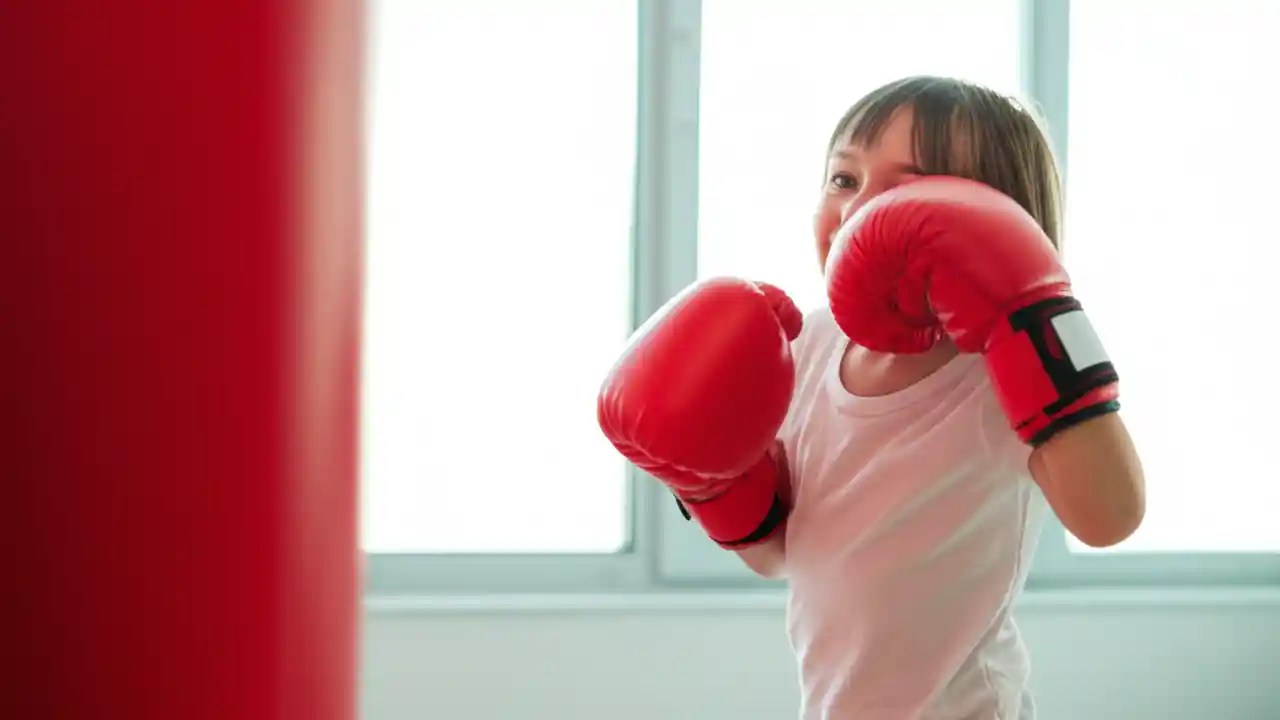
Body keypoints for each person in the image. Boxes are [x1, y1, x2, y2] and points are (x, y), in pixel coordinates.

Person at [597, 75, 1145, 719]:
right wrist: (716, 484)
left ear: (994, 219)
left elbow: (1111, 516)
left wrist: (1032, 311)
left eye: (908, 191)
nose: (859, 211)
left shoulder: (1002, 365)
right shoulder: (806, 344)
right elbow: (780, 555)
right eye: (843, 179)